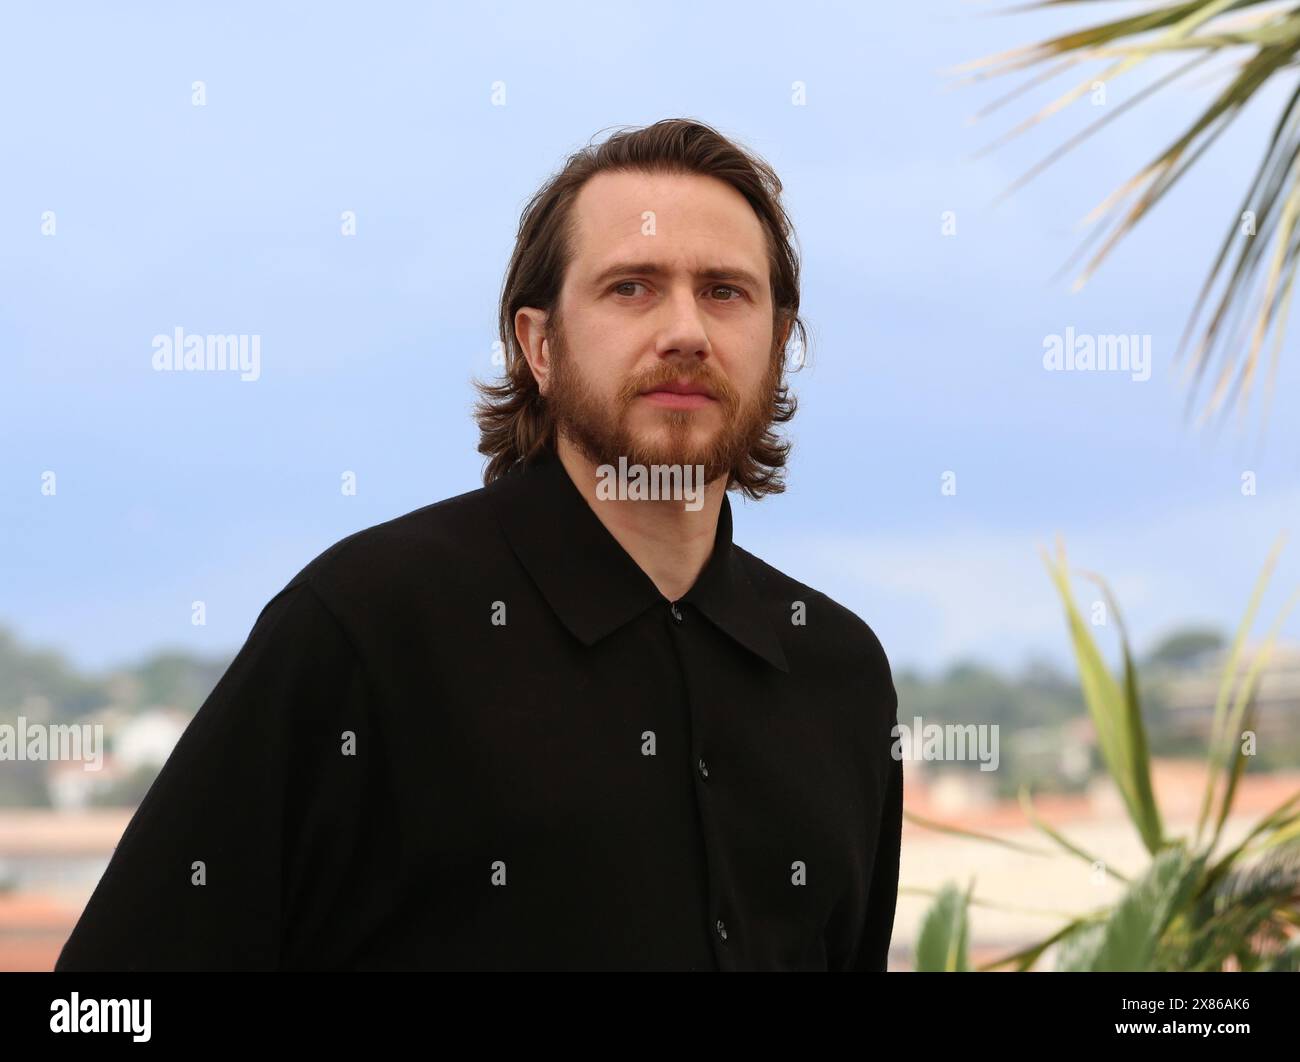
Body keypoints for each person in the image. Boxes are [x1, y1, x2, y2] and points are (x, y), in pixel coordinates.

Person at [55, 117, 903, 971]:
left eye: (724, 291)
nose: (685, 331)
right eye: (632, 288)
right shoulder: (365, 628)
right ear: (539, 344)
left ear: (778, 344)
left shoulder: (842, 675)